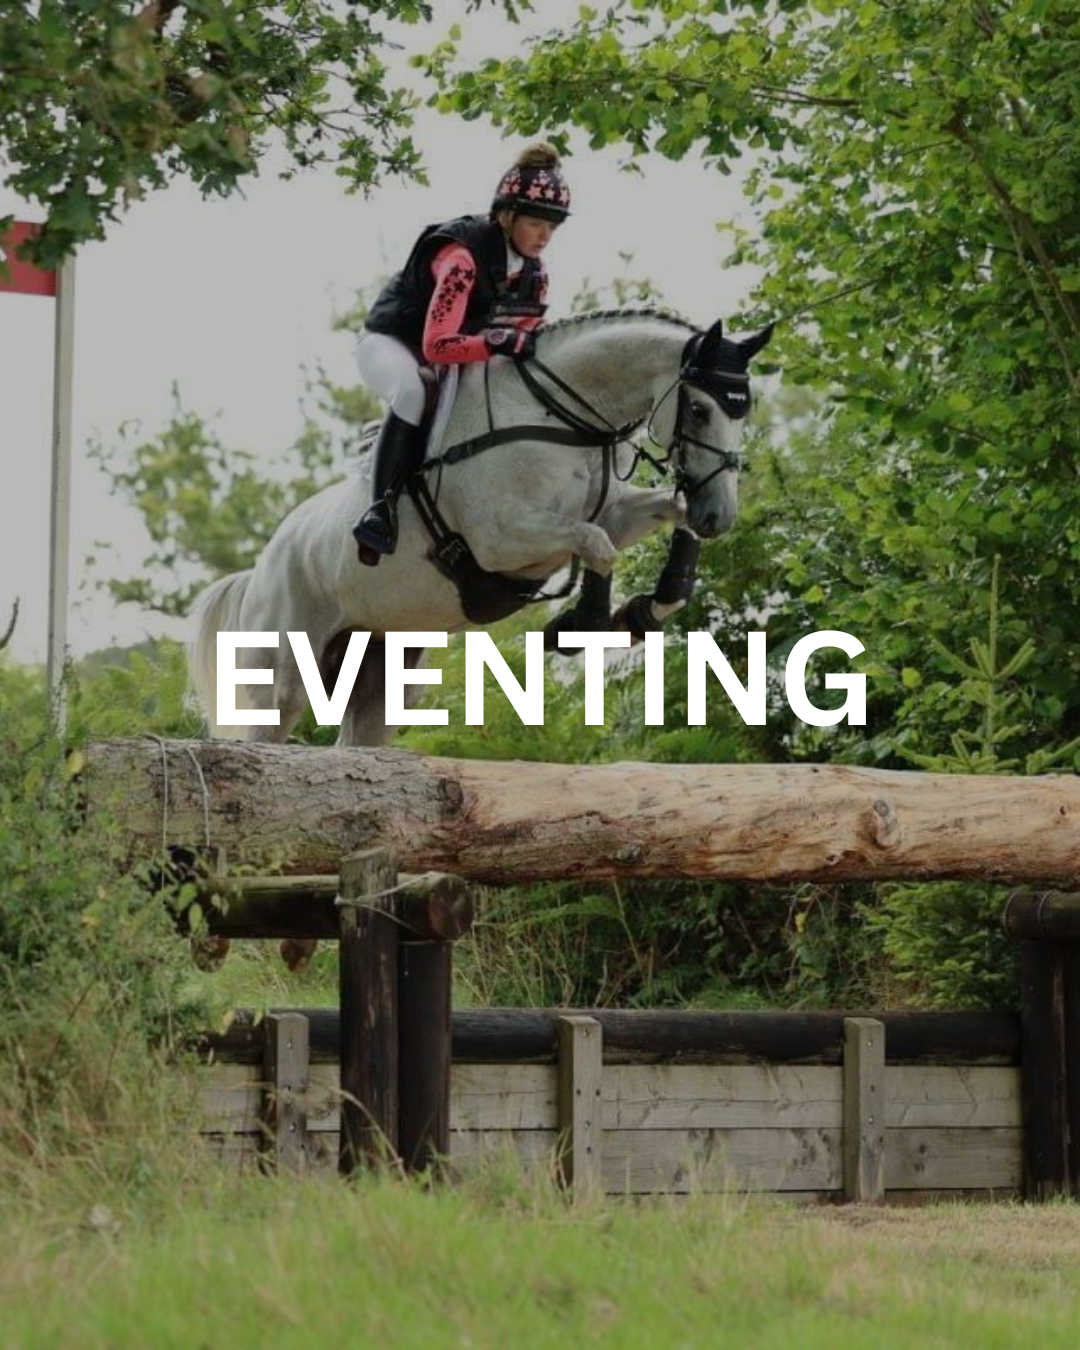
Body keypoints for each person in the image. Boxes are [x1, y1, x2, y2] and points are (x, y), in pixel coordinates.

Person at [350, 142, 572, 565]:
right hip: (394, 344)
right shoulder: (462, 258)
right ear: (507, 216)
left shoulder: (534, 275)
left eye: (553, 227)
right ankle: (380, 510)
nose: (544, 236)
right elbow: (438, 345)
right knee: (414, 392)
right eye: (536, 223)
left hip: (454, 357)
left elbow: (520, 341)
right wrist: (496, 343)